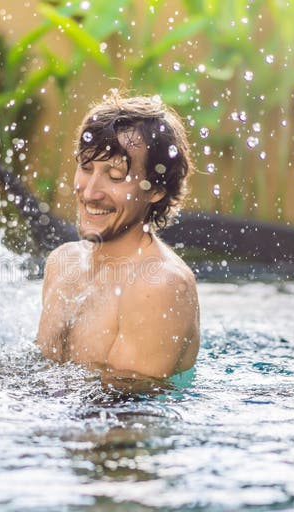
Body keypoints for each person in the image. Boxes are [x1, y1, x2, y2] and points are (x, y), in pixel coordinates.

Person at [36, 92, 200, 381]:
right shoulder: (63, 263)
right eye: (86, 168)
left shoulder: (159, 286)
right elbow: (38, 372)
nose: (89, 193)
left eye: (115, 176)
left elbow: (125, 414)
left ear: (156, 190)